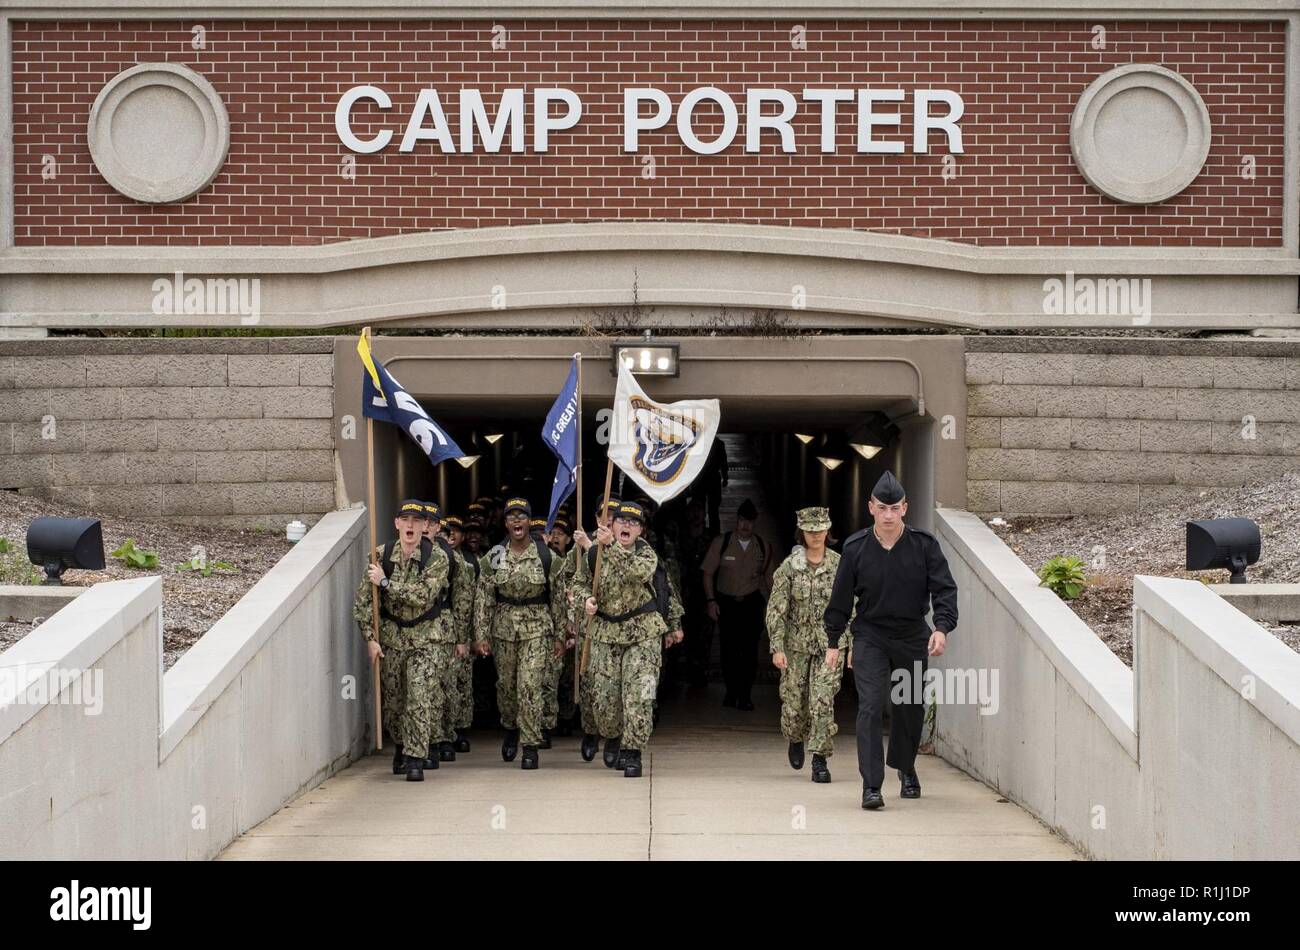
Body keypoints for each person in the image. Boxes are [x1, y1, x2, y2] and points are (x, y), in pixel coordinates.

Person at [823, 471, 958, 810]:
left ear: (904, 509)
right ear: (871, 508)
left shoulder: (924, 546)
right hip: (870, 634)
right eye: (882, 507)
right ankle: (872, 785)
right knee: (870, 706)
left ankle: (906, 766)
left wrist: (941, 627)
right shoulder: (855, 549)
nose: (887, 515)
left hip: (913, 635)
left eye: (894, 508)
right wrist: (833, 641)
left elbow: (944, 589)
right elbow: (840, 600)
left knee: (910, 706)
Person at [575, 500, 679, 778]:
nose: (626, 526)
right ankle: (612, 736)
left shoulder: (646, 554)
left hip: (641, 633)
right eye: (621, 520)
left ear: (641, 531)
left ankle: (633, 753)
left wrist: (611, 547)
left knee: (638, 698)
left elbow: (637, 572)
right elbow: (579, 582)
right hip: (606, 634)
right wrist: (586, 600)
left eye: (633, 523)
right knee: (605, 699)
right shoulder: (594, 554)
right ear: (612, 524)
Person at [351, 499, 452, 782]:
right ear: (396, 523)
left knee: (419, 698)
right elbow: (362, 606)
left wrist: (385, 583)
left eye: (416, 521)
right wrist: (371, 639)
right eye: (405, 520)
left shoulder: (436, 558)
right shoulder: (380, 557)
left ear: (424, 526)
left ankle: (416, 758)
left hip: (425, 639)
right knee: (395, 702)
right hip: (392, 639)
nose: (410, 525)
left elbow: (423, 596)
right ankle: (401, 746)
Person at [474, 497, 566, 769]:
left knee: (530, 685)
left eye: (522, 516)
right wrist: (481, 635)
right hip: (503, 629)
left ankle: (530, 745)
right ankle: (512, 728)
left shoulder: (545, 555)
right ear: (505, 524)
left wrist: (561, 635)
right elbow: (483, 597)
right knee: (507, 688)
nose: (517, 521)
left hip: (537, 627)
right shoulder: (495, 555)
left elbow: (559, 600)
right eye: (511, 517)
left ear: (529, 522)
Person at [766, 507, 848, 783]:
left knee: (822, 701)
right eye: (811, 530)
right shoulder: (789, 567)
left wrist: (854, 643)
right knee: (794, 706)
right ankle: (795, 737)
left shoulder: (840, 566)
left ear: (828, 530)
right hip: (796, 647)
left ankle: (820, 759)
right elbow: (776, 610)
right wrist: (777, 647)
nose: (816, 535)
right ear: (802, 532)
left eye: (820, 529)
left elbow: (853, 606)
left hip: (831, 647)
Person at [700, 498, 772, 710]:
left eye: (749, 521)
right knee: (729, 650)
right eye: (742, 520)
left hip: (751, 603)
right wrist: (711, 601)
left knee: (750, 651)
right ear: (736, 520)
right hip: (727, 603)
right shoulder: (722, 542)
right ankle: (731, 692)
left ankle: (745, 695)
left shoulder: (763, 546)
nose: (745, 525)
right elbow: (707, 574)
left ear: (755, 522)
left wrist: (776, 604)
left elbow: (770, 578)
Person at [570, 496, 620, 761]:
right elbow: (571, 583)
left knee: (615, 687)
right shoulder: (578, 545)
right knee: (590, 684)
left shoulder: (627, 545)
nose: (609, 520)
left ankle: (614, 737)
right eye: (605, 515)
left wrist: (592, 546)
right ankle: (590, 731)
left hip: (621, 628)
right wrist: (580, 604)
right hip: (591, 625)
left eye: (614, 516)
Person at [440, 512, 481, 753]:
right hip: (439, 632)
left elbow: (472, 602)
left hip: (460, 633)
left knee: (461, 685)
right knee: (443, 685)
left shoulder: (469, 562)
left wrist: (471, 636)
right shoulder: (434, 558)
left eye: (455, 531)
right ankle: (443, 733)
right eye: (447, 531)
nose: (451, 535)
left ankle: (459, 730)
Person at [676, 498, 715, 687]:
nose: (695, 515)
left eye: (699, 511)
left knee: (704, 637)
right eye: (692, 511)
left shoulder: (711, 539)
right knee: (686, 635)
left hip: (704, 594)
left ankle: (701, 673)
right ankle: (688, 671)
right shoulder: (680, 538)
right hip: (684, 594)